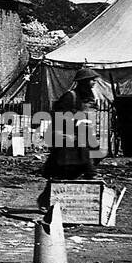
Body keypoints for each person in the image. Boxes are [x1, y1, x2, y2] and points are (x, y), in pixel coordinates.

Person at [39, 65, 100, 207]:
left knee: (72, 170)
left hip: (81, 137)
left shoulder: (87, 97)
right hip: (66, 137)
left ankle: (47, 200)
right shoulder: (70, 96)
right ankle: (46, 201)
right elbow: (58, 116)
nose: (93, 83)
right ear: (83, 82)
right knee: (65, 169)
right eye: (91, 80)